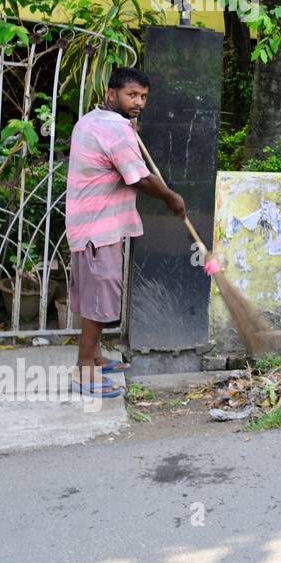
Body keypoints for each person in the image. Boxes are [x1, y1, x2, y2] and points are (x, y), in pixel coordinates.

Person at [65, 67, 187, 398]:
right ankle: (84, 371)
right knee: (99, 300)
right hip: (97, 229)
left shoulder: (91, 121)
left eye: (144, 97)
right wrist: (171, 197)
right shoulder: (116, 130)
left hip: (90, 224)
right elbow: (139, 177)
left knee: (96, 296)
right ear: (111, 93)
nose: (139, 103)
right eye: (131, 95)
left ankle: (94, 355)